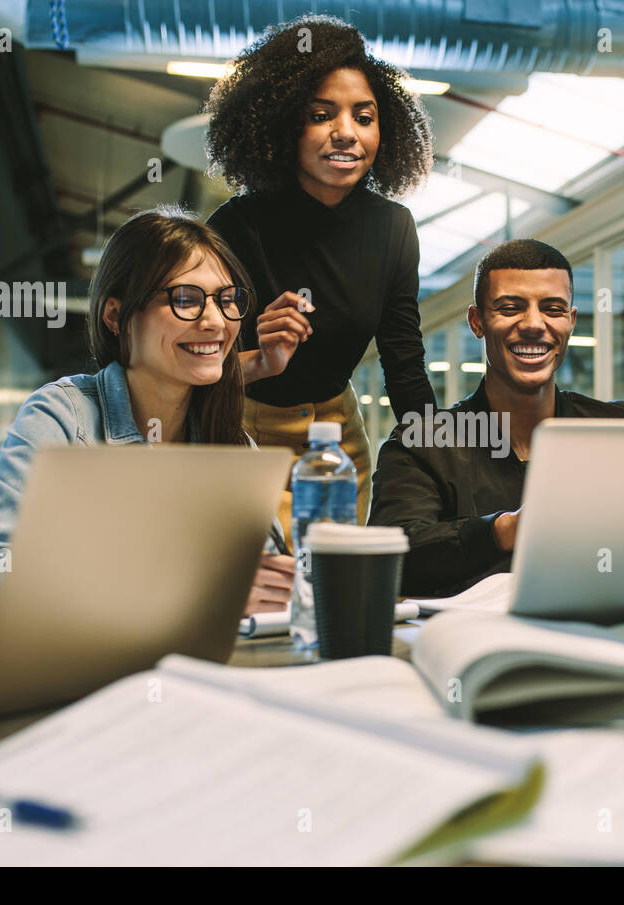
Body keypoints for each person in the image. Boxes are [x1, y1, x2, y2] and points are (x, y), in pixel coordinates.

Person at [0, 207, 296, 634]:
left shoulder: (233, 443)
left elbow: (260, 586)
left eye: (228, 301)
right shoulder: (61, 419)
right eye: (185, 299)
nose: (215, 322)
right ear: (115, 316)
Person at [203, 15, 437, 541]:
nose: (346, 133)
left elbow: (404, 362)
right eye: (321, 115)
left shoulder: (393, 228)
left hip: (336, 442)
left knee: (331, 591)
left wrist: (439, 451)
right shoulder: (235, 228)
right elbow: (191, 368)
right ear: (285, 125)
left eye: (364, 116)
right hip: (240, 433)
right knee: (260, 594)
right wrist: (259, 359)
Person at [369, 239, 624, 597]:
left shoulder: (623, 430)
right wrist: (503, 530)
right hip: (471, 643)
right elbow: (390, 557)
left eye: (552, 309)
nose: (534, 325)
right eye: (510, 308)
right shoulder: (423, 444)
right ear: (477, 321)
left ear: (571, 321)